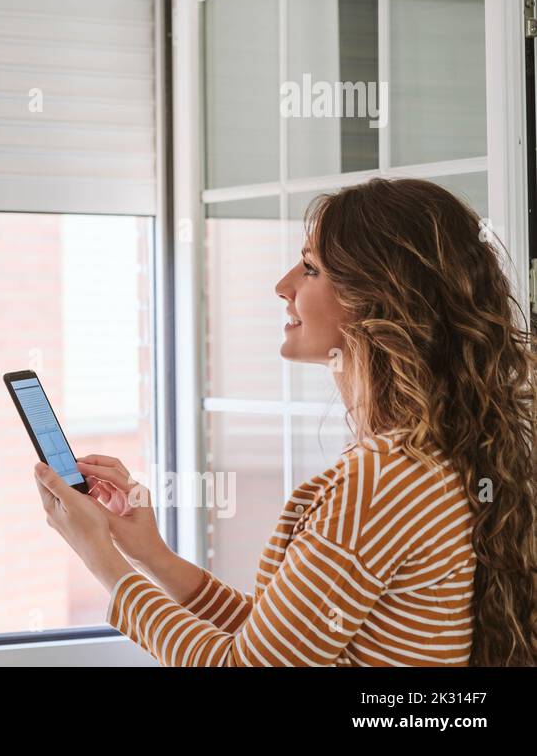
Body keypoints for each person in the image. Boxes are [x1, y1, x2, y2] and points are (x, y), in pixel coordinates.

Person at [35, 177, 537, 665]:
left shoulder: (383, 482)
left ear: (379, 295)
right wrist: (151, 555)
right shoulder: (430, 458)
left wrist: (99, 556)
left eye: (310, 268)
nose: (282, 286)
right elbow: (277, 646)